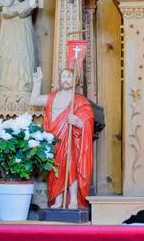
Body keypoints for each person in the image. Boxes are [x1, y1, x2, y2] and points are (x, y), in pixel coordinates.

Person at [30, 64, 95, 210]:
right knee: (55, 169)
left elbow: (88, 119)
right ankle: (57, 200)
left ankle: (73, 200)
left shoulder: (80, 100)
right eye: (64, 76)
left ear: (75, 80)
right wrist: (37, 82)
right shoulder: (52, 97)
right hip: (54, 139)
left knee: (71, 167)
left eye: (69, 76)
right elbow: (34, 101)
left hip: (70, 140)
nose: (66, 79)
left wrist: (78, 122)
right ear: (60, 80)